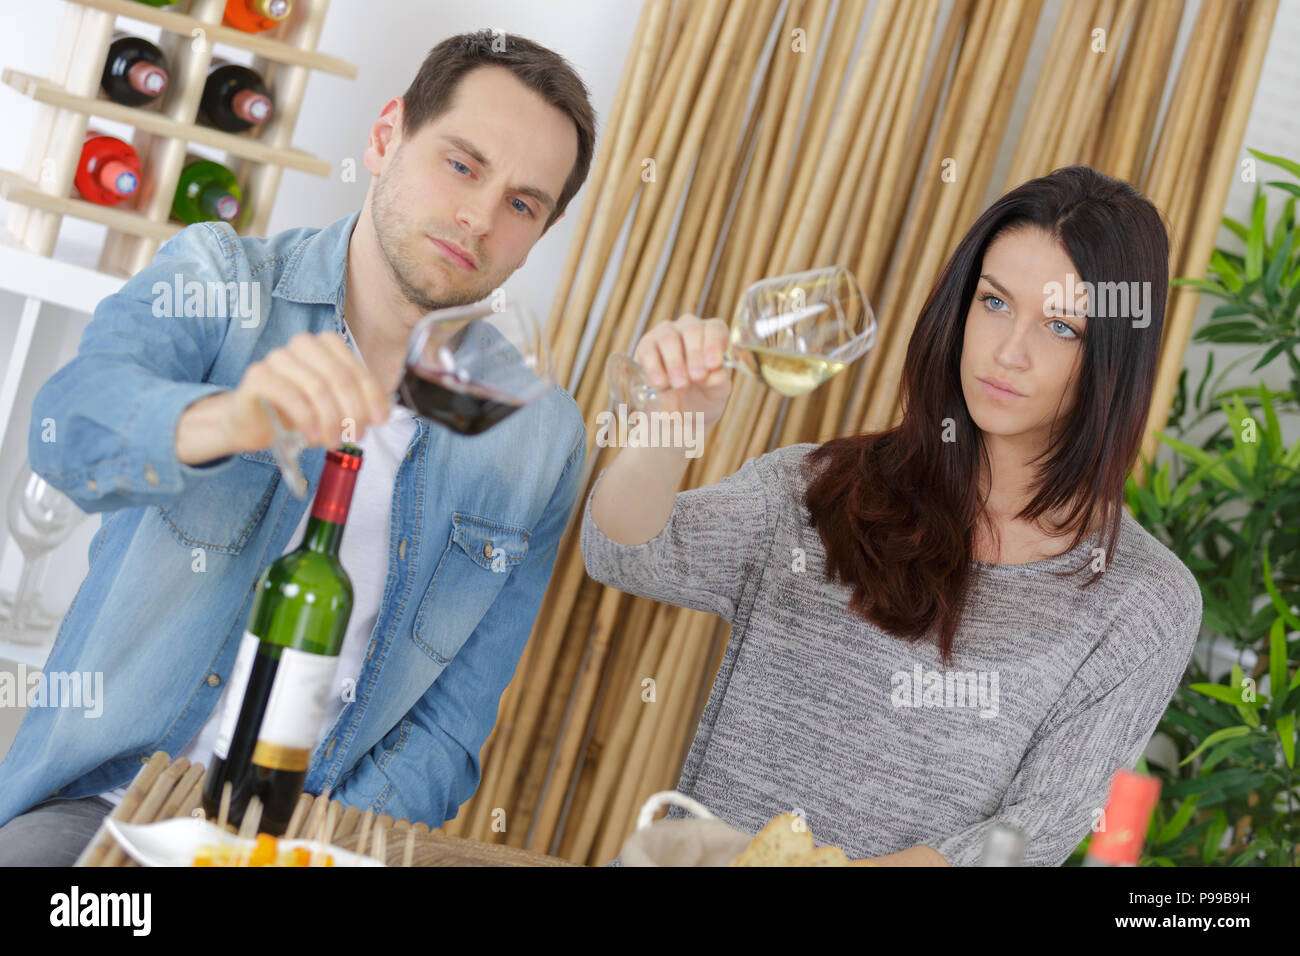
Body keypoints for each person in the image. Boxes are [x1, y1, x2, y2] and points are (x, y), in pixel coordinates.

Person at [0, 29, 596, 865]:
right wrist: (231, 418)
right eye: (463, 165)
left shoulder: (538, 439)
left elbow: (451, 730)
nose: (480, 217)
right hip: (100, 813)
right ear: (386, 137)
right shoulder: (219, 280)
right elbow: (69, 429)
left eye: (523, 204)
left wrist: (305, 850)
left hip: (318, 842)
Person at [583, 165, 1203, 866]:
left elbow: (1042, 825)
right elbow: (624, 552)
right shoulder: (820, 488)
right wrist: (674, 423)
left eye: (1061, 326)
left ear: (1115, 360)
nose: (1009, 352)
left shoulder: (1143, 599)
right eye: (995, 303)